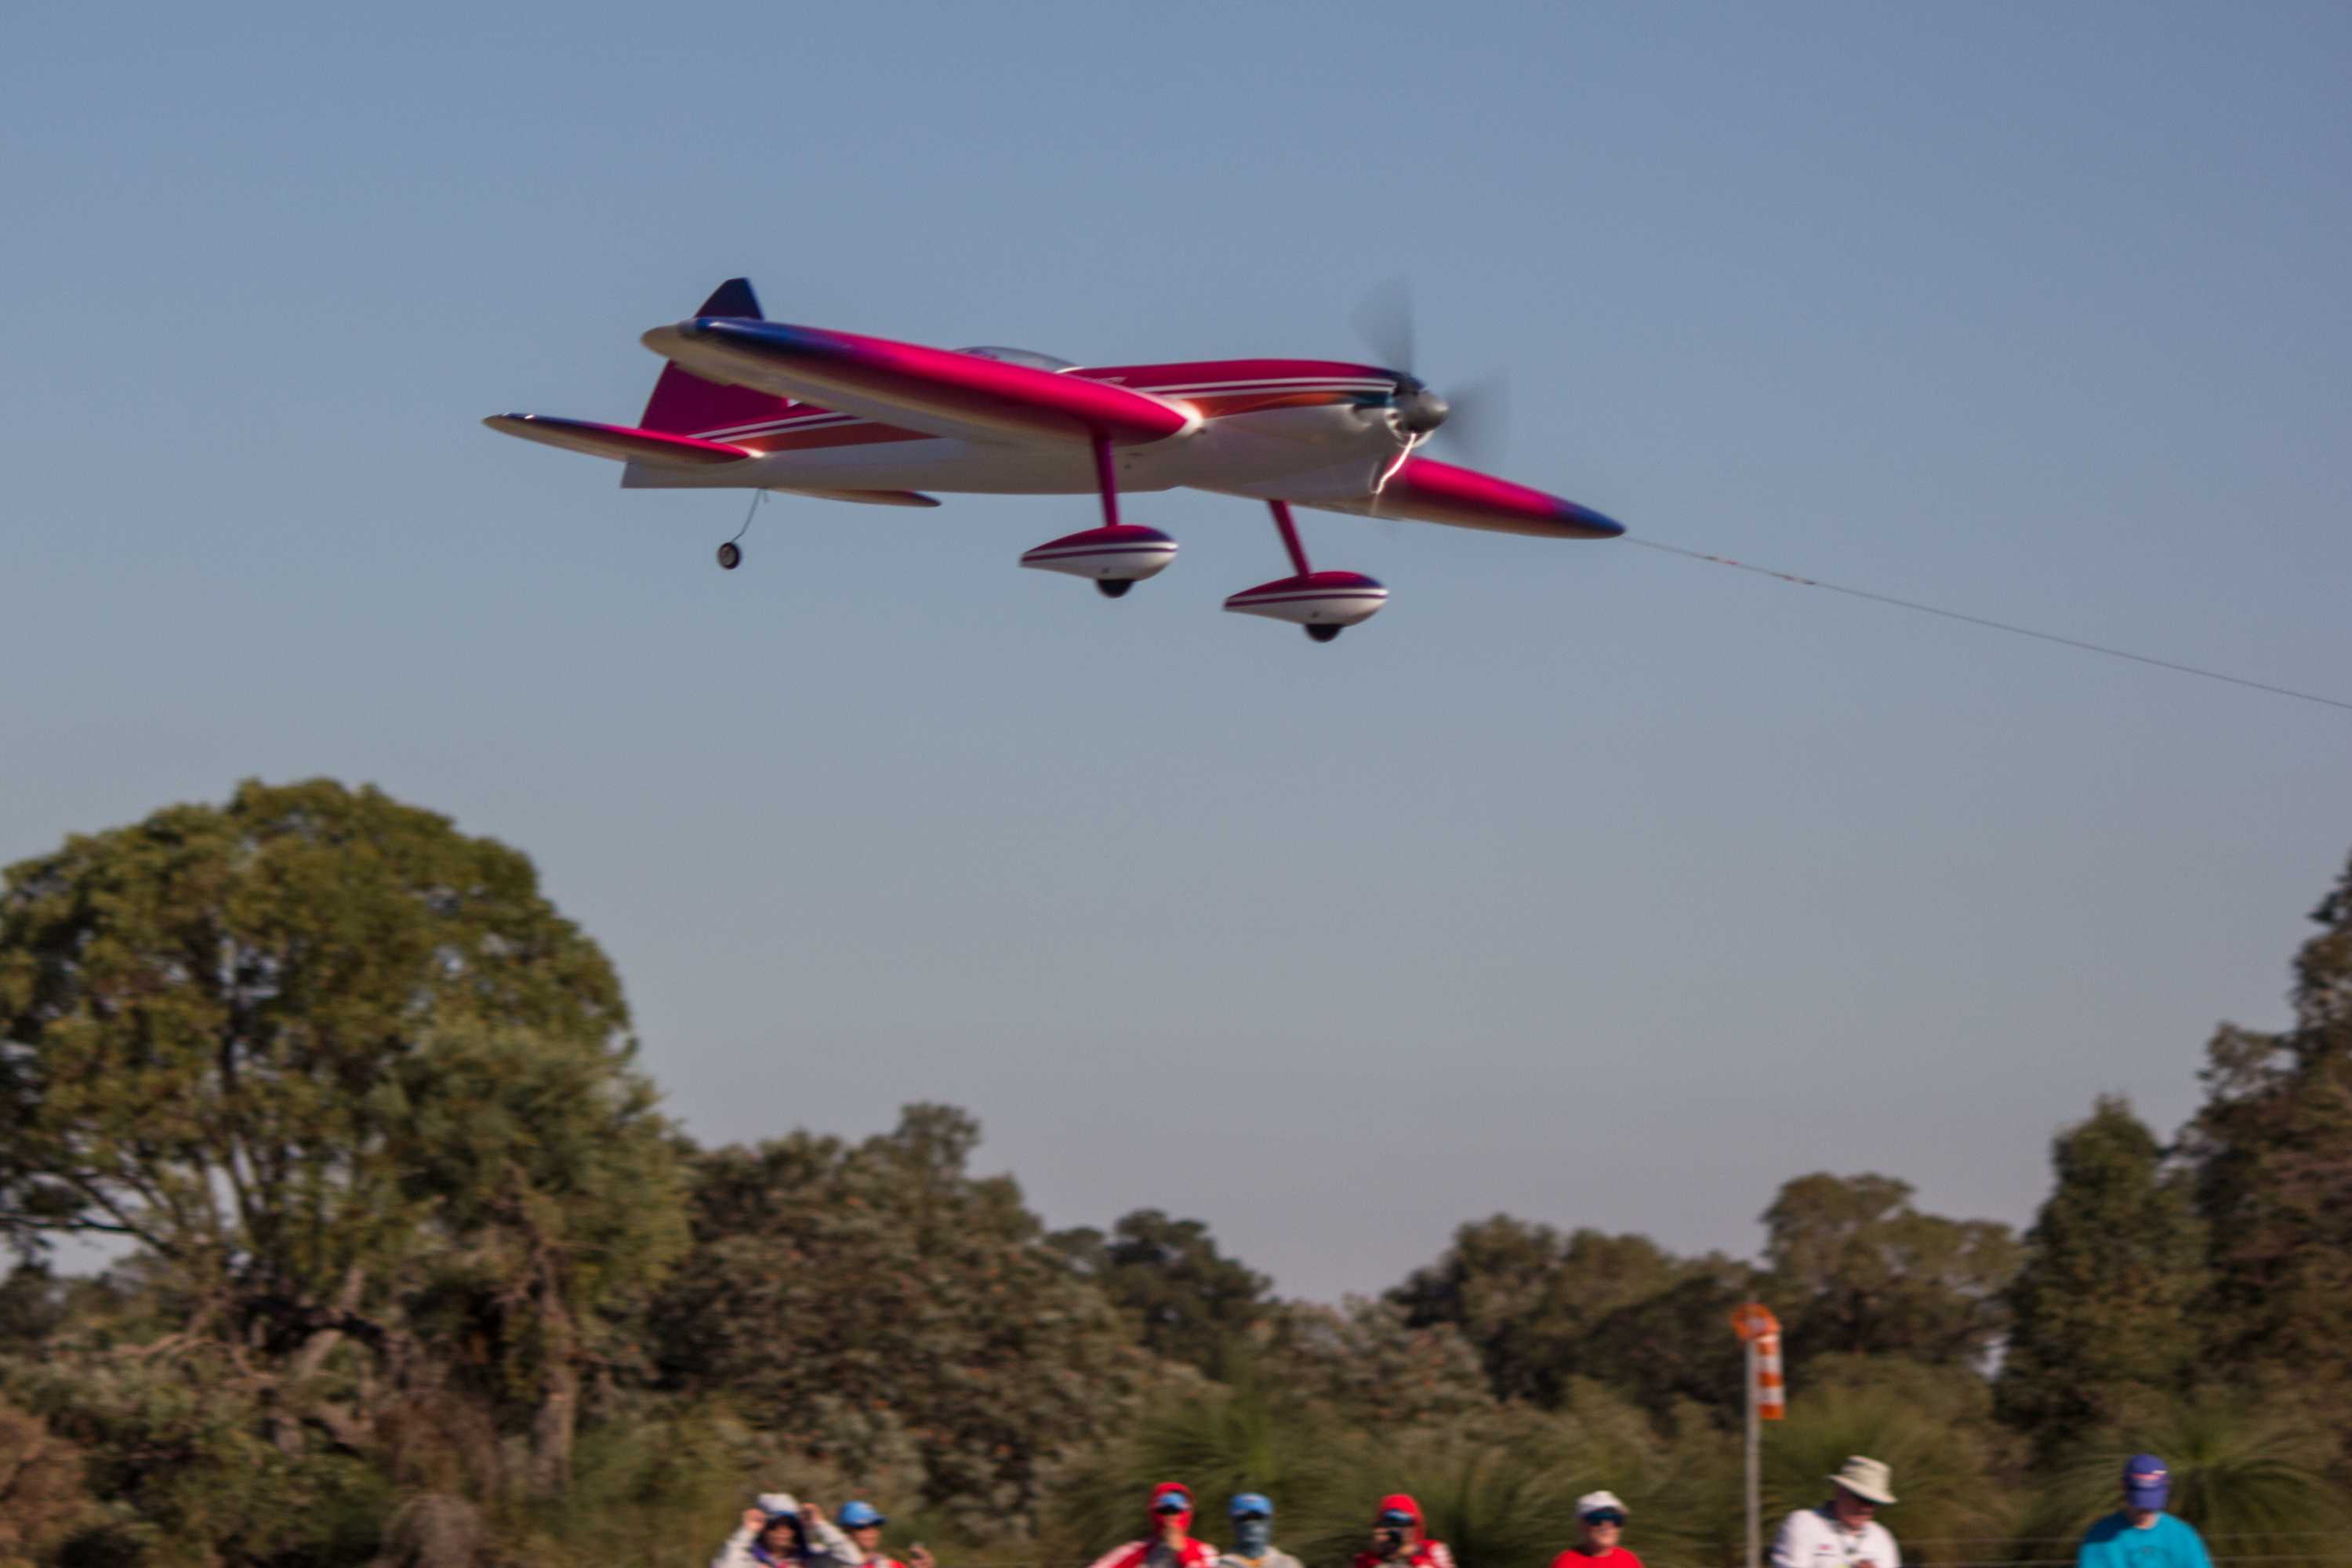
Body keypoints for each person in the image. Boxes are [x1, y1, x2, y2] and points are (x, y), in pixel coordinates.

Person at [2074, 1455, 2213, 1568]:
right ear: (2123, 1487)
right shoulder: (2100, 1537)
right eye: (2140, 1498)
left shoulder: (2183, 1536)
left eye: (2152, 1499)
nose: (2145, 1508)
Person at [1770, 1457, 1901, 1568]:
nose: (1866, 1508)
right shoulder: (1803, 1525)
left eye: (1874, 1502)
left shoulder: (1882, 1539)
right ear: (1840, 1491)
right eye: (1862, 1499)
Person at [1083, 1481, 1220, 1568]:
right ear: (1154, 1512)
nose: (1171, 1517)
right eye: (1165, 1511)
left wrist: (1183, 1552)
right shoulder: (1136, 1551)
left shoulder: (1204, 1552)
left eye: (1176, 1510)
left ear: (1187, 1512)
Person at [714, 1494, 862, 1568]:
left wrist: (819, 1525)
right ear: (762, 1527)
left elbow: (852, 1559)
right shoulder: (749, 1562)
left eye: (791, 1524)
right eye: (774, 1524)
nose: (783, 1530)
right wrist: (747, 1531)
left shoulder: (811, 1559)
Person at [1352, 1494, 1456, 1568]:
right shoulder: (1366, 1559)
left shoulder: (1432, 1550)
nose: (1396, 1529)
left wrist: (1413, 1559)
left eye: (1404, 1523)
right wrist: (1374, 1560)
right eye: (1389, 1523)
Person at [1553, 1491, 1642, 1568]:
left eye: (1616, 1519)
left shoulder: (1628, 1560)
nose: (1607, 1526)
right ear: (1582, 1524)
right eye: (1597, 1518)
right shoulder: (1567, 1563)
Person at [838, 1501, 936, 1568]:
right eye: (862, 1527)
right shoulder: (831, 1560)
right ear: (846, 1532)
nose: (871, 1532)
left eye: (875, 1525)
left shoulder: (888, 1565)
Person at [1220, 1492, 1303, 1568]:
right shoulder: (1219, 1565)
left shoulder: (1288, 1564)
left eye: (1258, 1518)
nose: (1250, 1525)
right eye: (1243, 1519)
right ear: (1233, 1524)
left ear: (1269, 1523)